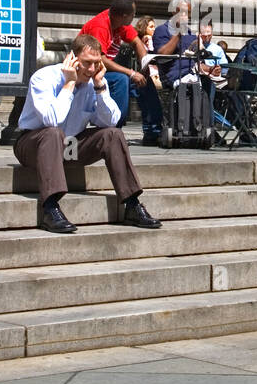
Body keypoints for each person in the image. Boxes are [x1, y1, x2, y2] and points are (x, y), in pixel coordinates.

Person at [14, 34, 161, 234]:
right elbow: (51, 120)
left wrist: (101, 88)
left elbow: (112, 122)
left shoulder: (95, 81)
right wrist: (69, 83)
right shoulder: (44, 77)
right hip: (33, 144)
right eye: (86, 63)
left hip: (70, 146)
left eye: (96, 63)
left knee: (113, 135)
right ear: (72, 59)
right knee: (52, 133)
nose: (91, 70)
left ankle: (132, 204)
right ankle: (50, 208)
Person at [80, 0, 164, 146]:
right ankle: (114, 129)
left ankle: (153, 131)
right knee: (121, 80)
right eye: (133, 14)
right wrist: (131, 73)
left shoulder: (119, 23)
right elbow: (100, 59)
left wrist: (144, 68)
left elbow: (137, 42)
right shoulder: (100, 26)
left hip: (104, 70)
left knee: (144, 82)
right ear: (124, 16)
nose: (134, 17)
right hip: (88, 70)